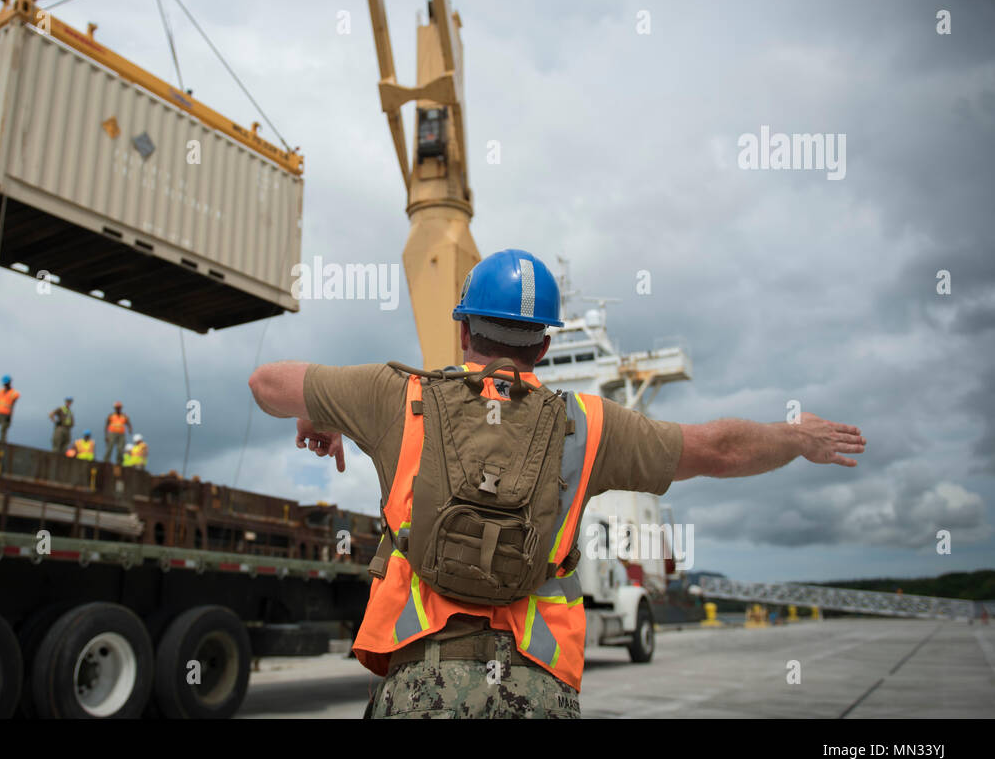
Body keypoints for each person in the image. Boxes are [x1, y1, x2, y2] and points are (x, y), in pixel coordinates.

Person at [247, 248, 866, 719]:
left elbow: (265, 383)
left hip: (419, 683)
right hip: (534, 684)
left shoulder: (396, 395)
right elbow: (717, 449)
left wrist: (322, 411)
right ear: (544, 345)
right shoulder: (591, 425)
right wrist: (796, 437)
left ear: (464, 331)